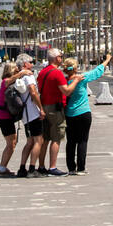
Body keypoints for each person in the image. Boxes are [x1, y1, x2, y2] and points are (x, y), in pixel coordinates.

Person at [62, 53, 110, 174]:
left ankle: (71, 168)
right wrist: (107, 60)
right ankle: (81, 168)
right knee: (83, 141)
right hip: (83, 113)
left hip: (69, 114)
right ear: (76, 68)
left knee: (71, 141)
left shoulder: (63, 81)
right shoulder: (82, 78)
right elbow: (97, 71)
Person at [36, 48, 69, 176]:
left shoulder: (42, 72)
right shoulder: (57, 73)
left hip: (44, 107)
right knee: (56, 138)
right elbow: (66, 91)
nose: (62, 58)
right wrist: (76, 81)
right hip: (55, 109)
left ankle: (41, 166)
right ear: (56, 58)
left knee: (45, 139)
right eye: (61, 56)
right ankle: (53, 167)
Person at [12, 55, 46, 178]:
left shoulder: (19, 75)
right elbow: (33, 91)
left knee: (30, 141)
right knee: (38, 141)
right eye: (31, 62)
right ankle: (32, 169)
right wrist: (41, 108)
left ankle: (22, 168)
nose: (32, 64)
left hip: (25, 115)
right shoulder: (28, 76)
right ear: (25, 64)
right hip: (32, 113)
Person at [0, 62, 19, 177]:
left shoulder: (9, 82)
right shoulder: (6, 81)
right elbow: (9, 81)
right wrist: (22, 73)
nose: (18, 70)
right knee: (11, 143)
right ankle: (2, 168)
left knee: (12, 142)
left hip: (3, 116)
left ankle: (3, 167)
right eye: (16, 69)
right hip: (4, 116)